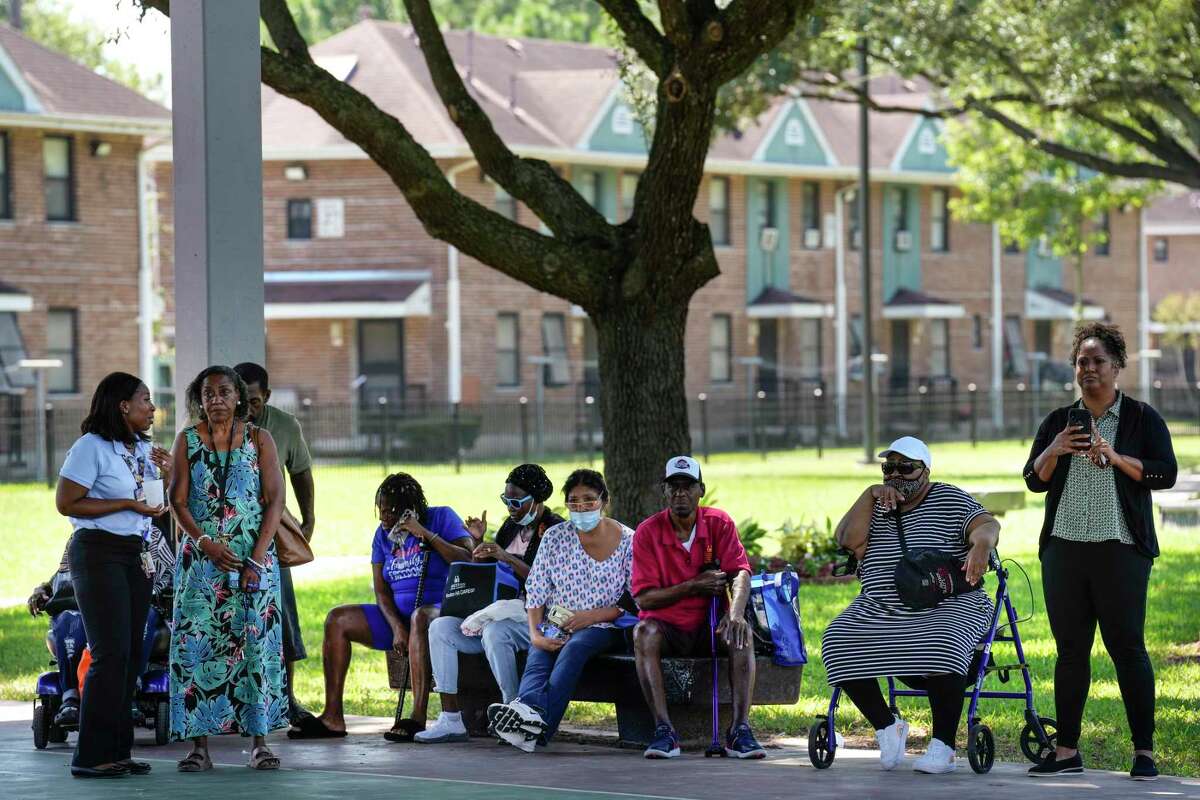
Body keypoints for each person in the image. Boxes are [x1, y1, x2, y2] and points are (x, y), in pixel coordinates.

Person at [1024, 322, 1176, 781]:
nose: (1088, 369)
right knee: (1071, 651)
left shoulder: (1142, 418)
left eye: (1097, 361)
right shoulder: (1058, 421)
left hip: (1120, 549)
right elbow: (1034, 480)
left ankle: (1144, 752)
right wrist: (1054, 449)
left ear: (1117, 366)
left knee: (1127, 648)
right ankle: (1066, 751)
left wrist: (1116, 457)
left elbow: (1165, 473)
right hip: (1064, 551)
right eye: (1081, 362)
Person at [822, 437, 999, 775]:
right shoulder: (876, 506)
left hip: (948, 602)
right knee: (837, 639)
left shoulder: (948, 498)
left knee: (944, 638)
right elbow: (846, 539)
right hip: (881, 605)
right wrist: (870, 494)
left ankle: (944, 746)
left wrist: (981, 545)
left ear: (925, 471)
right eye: (889, 468)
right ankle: (888, 726)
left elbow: (988, 524)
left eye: (906, 467)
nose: (896, 474)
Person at [289, 473, 473, 741]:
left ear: (409, 509)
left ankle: (417, 717)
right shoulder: (383, 535)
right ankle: (332, 717)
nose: (383, 518)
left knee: (420, 617)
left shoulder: (441, 517)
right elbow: (381, 590)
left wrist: (425, 534)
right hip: (400, 618)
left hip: (438, 612)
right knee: (337, 619)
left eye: (389, 511)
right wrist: (397, 627)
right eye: (380, 510)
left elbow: (466, 558)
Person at [167, 366, 287, 772]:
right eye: (208, 393)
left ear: (238, 397)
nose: (216, 399)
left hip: (253, 559)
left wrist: (256, 559)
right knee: (197, 646)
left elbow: (275, 501)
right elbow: (177, 502)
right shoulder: (186, 440)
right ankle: (199, 748)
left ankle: (260, 744)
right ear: (199, 399)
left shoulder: (259, 439)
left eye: (223, 392)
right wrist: (206, 543)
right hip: (202, 563)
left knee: (255, 646)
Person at [54, 371, 170, 778]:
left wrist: (167, 475)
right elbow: (67, 503)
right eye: (145, 400)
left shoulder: (142, 447)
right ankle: (90, 756)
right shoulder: (91, 446)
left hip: (135, 553)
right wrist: (126, 505)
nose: (152, 407)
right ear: (123, 406)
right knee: (110, 652)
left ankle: (118, 751)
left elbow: (153, 499)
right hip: (98, 551)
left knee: (131, 655)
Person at [487, 469, 634, 753]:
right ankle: (526, 715)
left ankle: (537, 724)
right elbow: (536, 590)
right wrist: (535, 634)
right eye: (573, 501)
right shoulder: (555, 537)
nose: (581, 507)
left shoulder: (628, 539)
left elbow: (632, 599)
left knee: (575, 647)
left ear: (604, 501)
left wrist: (590, 617)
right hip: (557, 622)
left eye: (589, 500)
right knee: (540, 654)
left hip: (605, 626)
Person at [417, 463, 564, 744]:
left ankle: (515, 715)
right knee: (440, 628)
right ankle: (451, 719)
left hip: (540, 618)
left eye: (516, 501)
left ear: (536, 499)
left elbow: (549, 582)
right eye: (506, 500)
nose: (510, 507)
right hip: (502, 611)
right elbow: (491, 572)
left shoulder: (555, 529)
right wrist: (478, 544)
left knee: (495, 631)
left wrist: (506, 557)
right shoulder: (510, 528)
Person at [631, 456, 764, 760]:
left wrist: (735, 614)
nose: (680, 492)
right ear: (664, 491)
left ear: (701, 490)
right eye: (673, 486)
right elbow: (645, 599)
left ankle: (740, 731)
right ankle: (664, 731)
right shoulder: (648, 532)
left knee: (741, 633)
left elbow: (740, 573)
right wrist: (693, 585)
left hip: (710, 625)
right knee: (643, 633)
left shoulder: (719, 522)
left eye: (688, 486)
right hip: (666, 628)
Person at [234, 361, 316, 723]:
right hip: (227, 538)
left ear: (266, 396)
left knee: (282, 617)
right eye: (241, 400)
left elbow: (301, 472)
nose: (247, 408)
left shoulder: (283, 425)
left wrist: (308, 518)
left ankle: (287, 698)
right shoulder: (213, 427)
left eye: (253, 401)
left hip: (269, 535)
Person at [29, 527, 175, 730]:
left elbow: (171, 573)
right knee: (67, 620)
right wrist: (43, 589)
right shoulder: (80, 535)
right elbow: (62, 577)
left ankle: (130, 689)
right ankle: (70, 697)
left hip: (136, 601)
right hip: (85, 604)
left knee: (141, 615)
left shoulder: (149, 534)